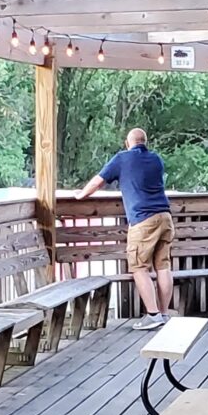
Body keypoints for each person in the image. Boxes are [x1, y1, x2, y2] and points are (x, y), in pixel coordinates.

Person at [77, 128, 174, 330]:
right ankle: (164, 313)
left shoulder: (122, 159)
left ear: (127, 143)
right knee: (163, 266)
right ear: (145, 142)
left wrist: (81, 195)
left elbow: (98, 181)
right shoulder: (156, 159)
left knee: (139, 267)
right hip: (165, 217)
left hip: (143, 219)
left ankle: (153, 315)